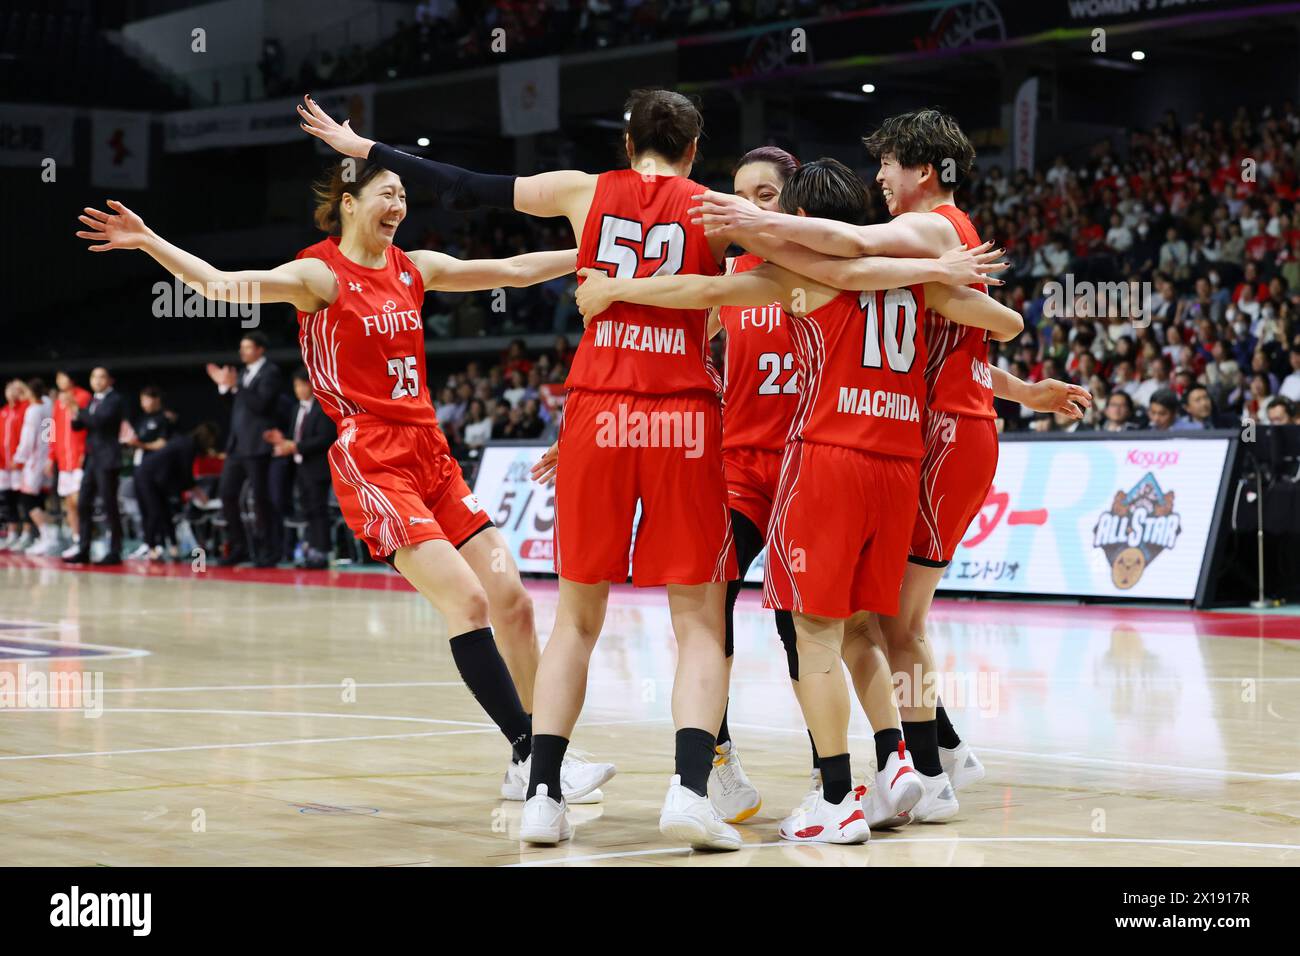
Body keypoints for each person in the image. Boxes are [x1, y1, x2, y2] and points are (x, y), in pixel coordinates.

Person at [75, 159, 612, 806]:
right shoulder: (319, 276)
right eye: (387, 194)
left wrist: (601, 248)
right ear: (349, 203)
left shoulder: (415, 267)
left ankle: (541, 753)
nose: (399, 205)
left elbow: (517, 268)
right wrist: (149, 240)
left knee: (515, 602)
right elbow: (220, 285)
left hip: (432, 456)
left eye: (405, 196)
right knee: (467, 603)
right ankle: (532, 759)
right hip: (375, 460)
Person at [299, 88, 746, 848]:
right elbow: (804, 258)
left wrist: (365, 148)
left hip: (597, 416)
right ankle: (691, 789)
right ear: (696, 150)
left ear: (626, 137)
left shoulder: (583, 191)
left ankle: (541, 793)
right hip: (683, 421)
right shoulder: (714, 209)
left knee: (573, 618)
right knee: (700, 621)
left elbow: (465, 183)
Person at [576, 156, 1024, 842]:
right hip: (899, 468)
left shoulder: (801, 271)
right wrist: (935, 272)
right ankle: (902, 761)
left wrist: (616, 291)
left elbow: (698, 291)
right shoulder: (914, 282)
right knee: (863, 630)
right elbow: (1005, 323)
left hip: (825, 459)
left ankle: (836, 797)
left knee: (810, 633)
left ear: (802, 217)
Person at [691, 109, 1091, 822]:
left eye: (889, 165)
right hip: (926, 436)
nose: (880, 177)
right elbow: (988, 330)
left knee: (875, 627)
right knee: (882, 622)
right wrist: (1021, 387)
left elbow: (846, 246)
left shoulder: (919, 236)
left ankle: (900, 776)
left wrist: (747, 229)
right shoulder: (928, 256)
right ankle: (931, 756)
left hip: (899, 443)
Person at [209, 332, 284, 567]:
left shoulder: (270, 372)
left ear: (260, 349)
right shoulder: (243, 374)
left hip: (258, 444)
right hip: (237, 445)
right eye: (242, 347)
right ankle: (239, 546)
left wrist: (237, 386)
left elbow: (261, 405)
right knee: (227, 494)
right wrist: (226, 388)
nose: (243, 352)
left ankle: (269, 551)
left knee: (261, 500)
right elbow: (237, 405)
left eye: (248, 347)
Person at [264, 368, 336, 569]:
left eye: (301, 385)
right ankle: (311, 550)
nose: (298, 389)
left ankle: (321, 553)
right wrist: (283, 442)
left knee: (318, 509)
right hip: (301, 466)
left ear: (311, 385)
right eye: (295, 385)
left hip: (318, 466)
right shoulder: (296, 409)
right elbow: (296, 436)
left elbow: (325, 438)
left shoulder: (323, 408)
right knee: (307, 509)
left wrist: (295, 446)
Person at [133, 423, 222, 560]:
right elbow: (186, 474)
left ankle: (173, 547)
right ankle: (151, 548)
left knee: (165, 512)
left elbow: (183, 475)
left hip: (158, 479)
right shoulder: (187, 446)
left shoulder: (185, 442)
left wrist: (193, 489)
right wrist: (197, 491)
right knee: (154, 512)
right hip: (148, 476)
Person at [64, 367, 126, 565]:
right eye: (94, 377)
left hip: (108, 458)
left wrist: (78, 410)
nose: (97, 381)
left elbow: (100, 422)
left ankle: (114, 551)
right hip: (91, 458)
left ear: (110, 380)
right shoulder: (93, 400)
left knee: (109, 505)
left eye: (101, 377)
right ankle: (84, 548)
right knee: (83, 503)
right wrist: (75, 416)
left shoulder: (114, 400)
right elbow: (80, 426)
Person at [127, 386, 175, 559]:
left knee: (157, 507)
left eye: (147, 399)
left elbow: (162, 444)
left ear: (156, 400)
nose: (144, 403)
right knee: (144, 508)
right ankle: (149, 543)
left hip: (157, 471)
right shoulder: (142, 420)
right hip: (140, 468)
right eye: (142, 400)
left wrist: (141, 445)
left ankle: (159, 543)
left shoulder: (164, 419)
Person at [47, 371, 92, 557]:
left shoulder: (83, 397)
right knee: (69, 503)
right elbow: (50, 427)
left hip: (79, 458)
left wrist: (85, 451)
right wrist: (50, 456)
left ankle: (86, 539)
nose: (59, 381)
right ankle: (75, 538)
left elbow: (88, 424)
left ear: (71, 378)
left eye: (62, 377)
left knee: (79, 500)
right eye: (56, 378)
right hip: (63, 461)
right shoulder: (57, 402)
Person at [14, 379, 55, 555]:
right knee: (39, 499)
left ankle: (49, 537)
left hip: (34, 461)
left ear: (30, 394)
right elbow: (49, 433)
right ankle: (48, 537)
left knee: (28, 500)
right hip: (47, 458)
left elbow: (28, 439)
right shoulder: (48, 404)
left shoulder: (33, 411)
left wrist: (19, 457)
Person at [0, 380, 30, 551]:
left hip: (22, 464)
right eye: (8, 389)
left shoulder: (27, 409)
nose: (11, 392)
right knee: (7, 499)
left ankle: (27, 533)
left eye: (16, 389)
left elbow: (47, 433)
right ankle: (12, 533)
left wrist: (20, 459)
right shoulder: (3, 412)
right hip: (5, 464)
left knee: (25, 500)